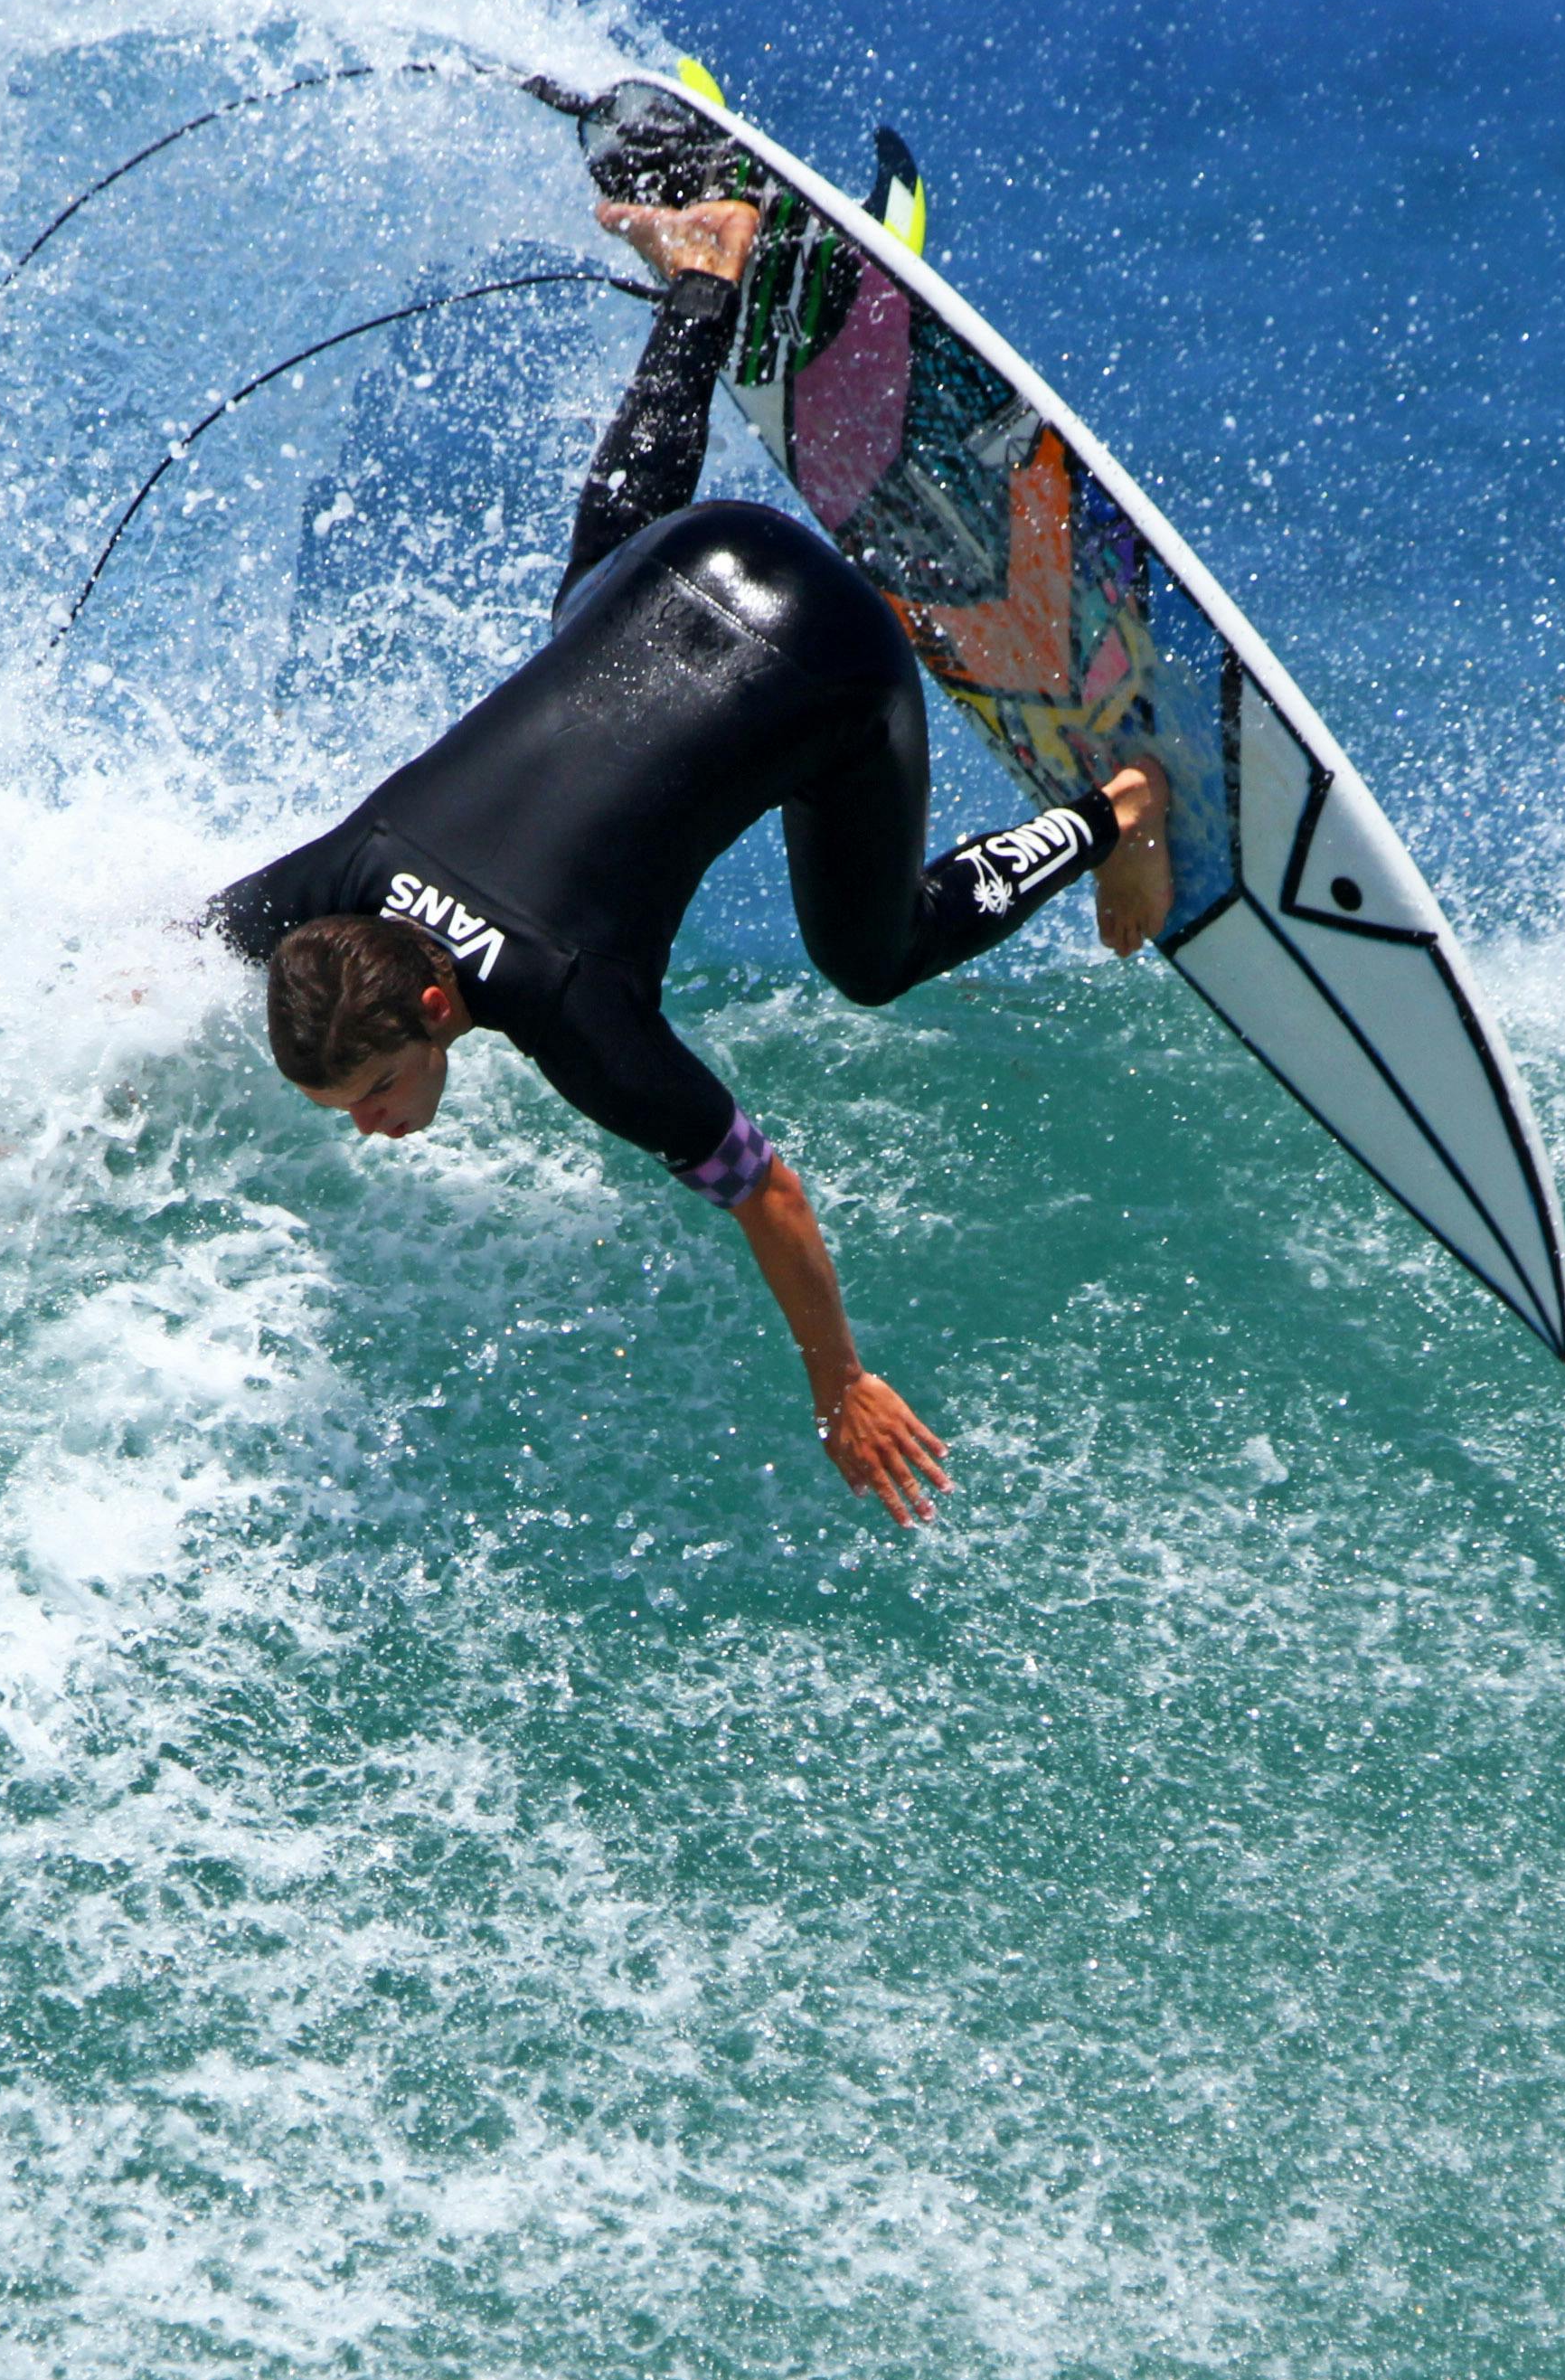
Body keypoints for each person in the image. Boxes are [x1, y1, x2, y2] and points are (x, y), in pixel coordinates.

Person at [203, 188, 1167, 1529]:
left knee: (872, 957)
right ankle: (705, 276)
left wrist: (840, 1386)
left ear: (434, 1011)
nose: (371, 1126)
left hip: (839, 660)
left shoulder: (573, 1016)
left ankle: (1122, 813)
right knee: (574, 614)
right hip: (708, 546)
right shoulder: (343, 881)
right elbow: (206, 932)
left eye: (372, 1091)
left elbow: (767, 1191)